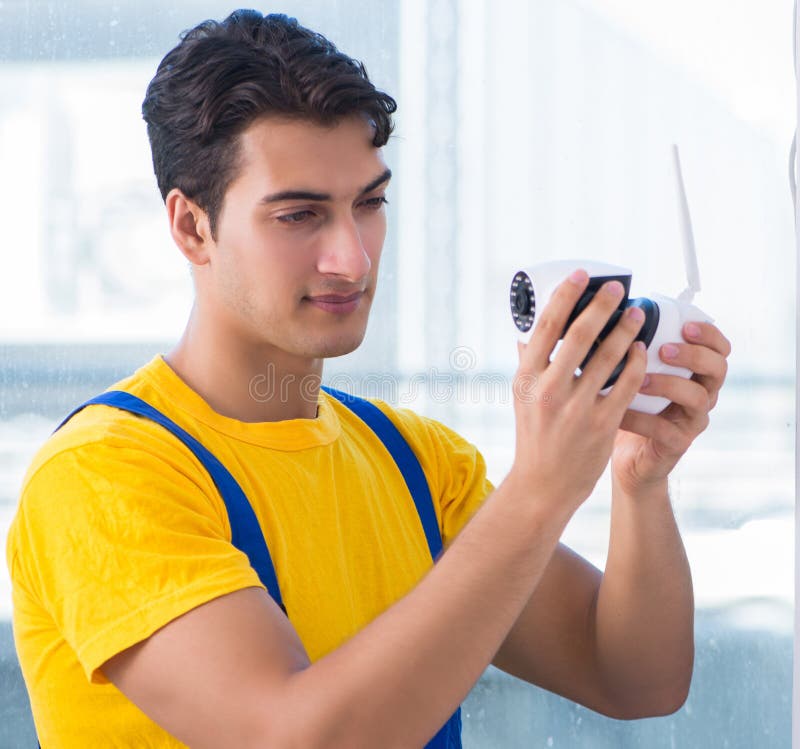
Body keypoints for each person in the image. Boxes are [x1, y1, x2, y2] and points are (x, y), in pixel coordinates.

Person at [6, 9, 731, 748]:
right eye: (298, 216)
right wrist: (540, 487)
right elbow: (298, 738)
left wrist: (639, 483)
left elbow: (636, 679)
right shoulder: (102, 478)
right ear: (192, 227)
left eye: (369, 203)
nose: (352, 258)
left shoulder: (413, 459)